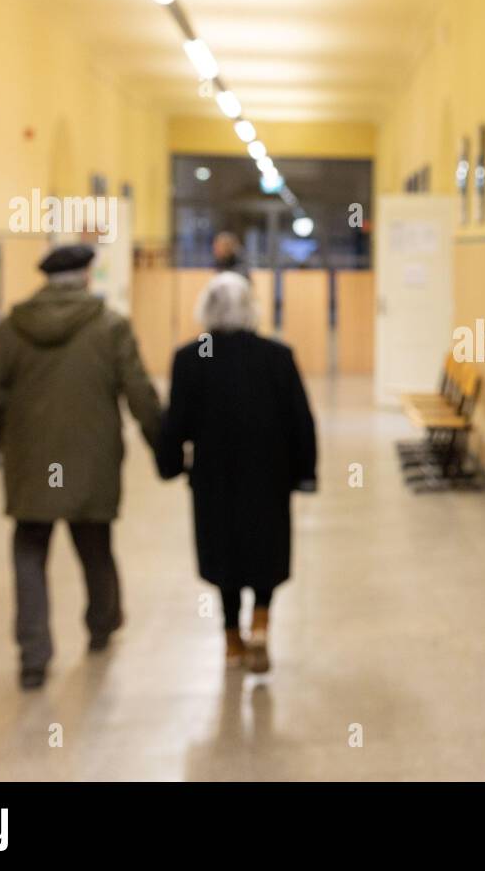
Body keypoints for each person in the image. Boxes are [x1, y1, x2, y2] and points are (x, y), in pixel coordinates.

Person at [0, 244, 161, 690]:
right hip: (91, 458)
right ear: (87, 276)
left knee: (29, 550)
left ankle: (33, 656)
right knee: (95, 543)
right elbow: (139, 393)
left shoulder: (13, 328)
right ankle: (101, 625)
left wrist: (7, 438)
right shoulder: (111, 326)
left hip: (31, 460)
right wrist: (163, 446)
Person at [155, 273, 316, 672]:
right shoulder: (276, 355)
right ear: (251, 308)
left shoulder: (191, 358)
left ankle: (231, 639)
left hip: (214, 477)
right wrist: (305, 472)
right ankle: (260, 622)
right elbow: (301, 419)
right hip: (268, 473)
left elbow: (175, 423)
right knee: (266, 545)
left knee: (224, 550)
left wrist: (170, 464)